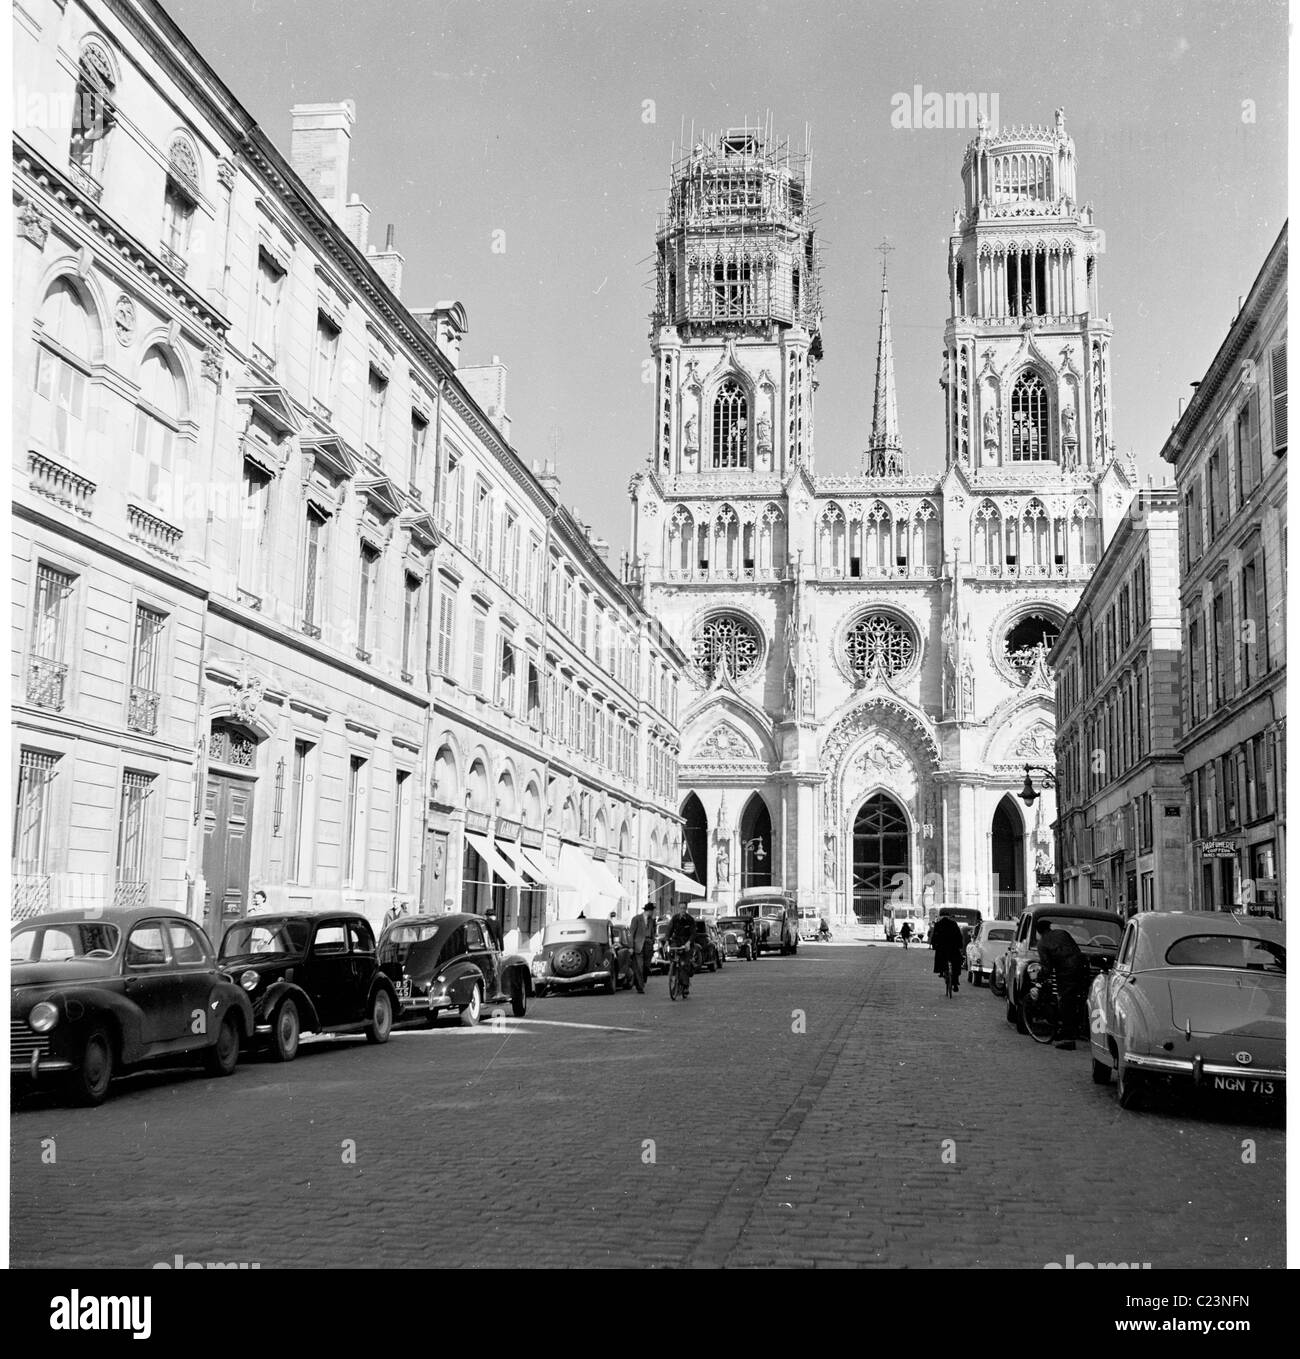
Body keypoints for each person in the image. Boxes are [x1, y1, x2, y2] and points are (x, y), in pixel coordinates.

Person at [1032, 917, 1090, 1049]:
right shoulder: (1062, 933)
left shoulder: (1042, 944)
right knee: (1079, 999)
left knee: (1065, 1002)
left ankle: (1069, 1039)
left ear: (1039, 932)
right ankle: (1077, 1029)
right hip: (1082, 966)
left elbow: (1047, 967)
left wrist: (1039, 980)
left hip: (1067, 972)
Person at [665, 904, 697, 993]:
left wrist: (689, 942)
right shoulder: (674, 918)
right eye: (681, 908)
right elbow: (669, 930)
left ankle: (685, 986)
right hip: (676, 941)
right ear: (678, 909)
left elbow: (693, 933)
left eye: (684, 908)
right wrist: (667, 940)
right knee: (671, 955)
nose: (682, 910)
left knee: (684, 964)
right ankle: (673, 974)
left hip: (686, 943)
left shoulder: (690, 919)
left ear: (686, 909)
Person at [930, 913, 965, 992]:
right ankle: (955, 982)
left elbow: (935, 936)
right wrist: (960, 946)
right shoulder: (953, 923)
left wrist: (934, 945)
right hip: (953, 948)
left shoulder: (938, 924)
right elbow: (959, 935)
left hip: (942, 948)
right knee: (956, 963)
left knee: (940, 960)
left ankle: (941, 972)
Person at [630, 901, 656, 994]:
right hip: (639, 946)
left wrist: (653, 941)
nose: (653, 913)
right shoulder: (636, 919)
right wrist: (631, 947)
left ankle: (640, 982)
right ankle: (640, 987)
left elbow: (653, 932)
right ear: (648, 911)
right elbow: (631, 934)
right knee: (639, 966)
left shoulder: (651, 920)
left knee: (646, 967)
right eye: (652, 911)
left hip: (648, 945)